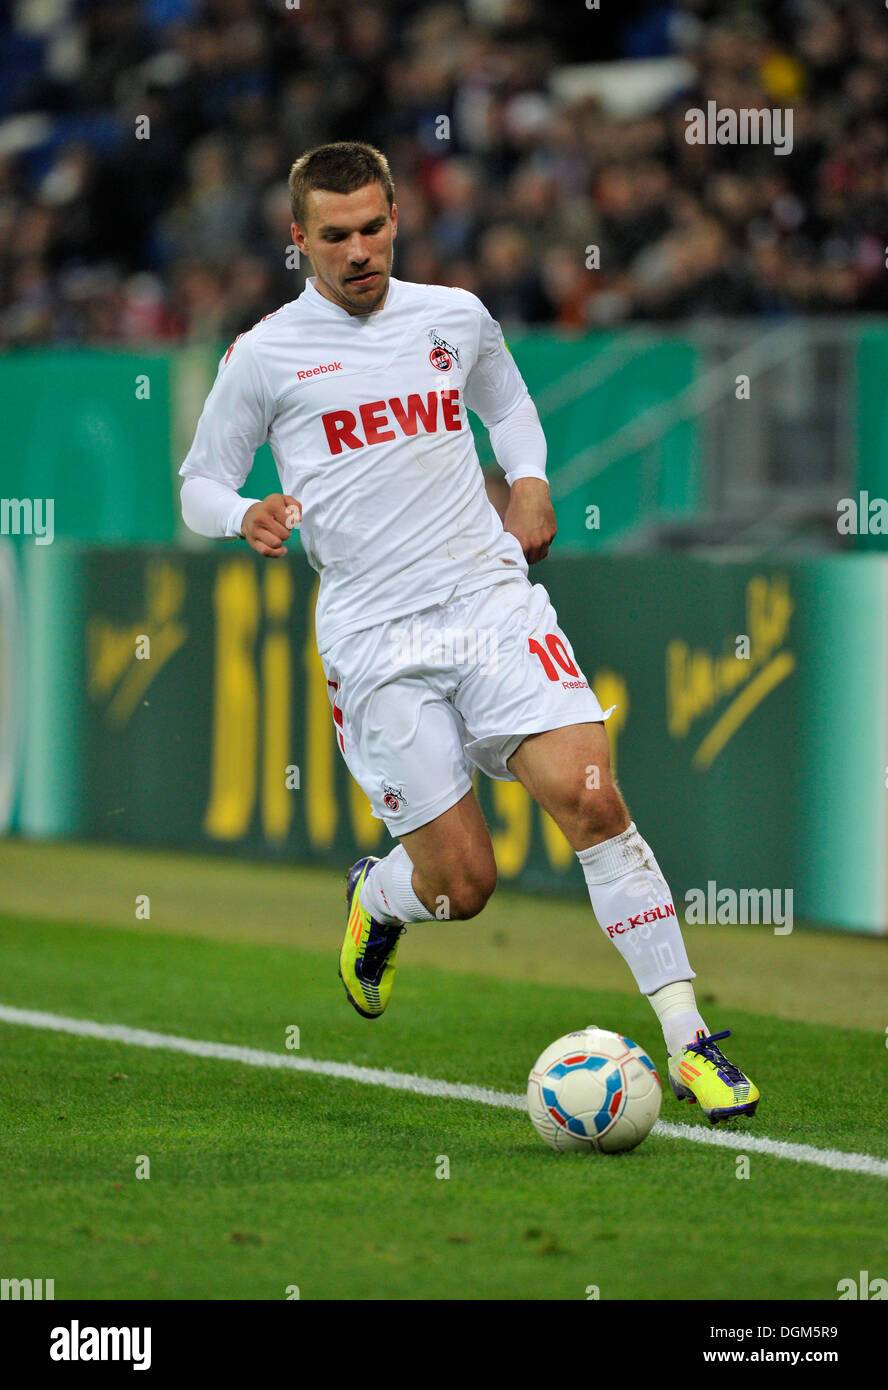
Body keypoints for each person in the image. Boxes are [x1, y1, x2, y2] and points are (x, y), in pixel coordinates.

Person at [179, 141, 759, 1125]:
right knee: (465, 886)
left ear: (397, 216)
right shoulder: (266, 354)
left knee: (594, 799)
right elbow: (197, 482)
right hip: (375, 642)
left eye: (372, 227)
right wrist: (245, 516)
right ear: (298, 241)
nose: (358, 249)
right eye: (334, 236)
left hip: (491, 604)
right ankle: (383, 897)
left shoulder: (454, 317)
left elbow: (511, 406)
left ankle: (689, 1038)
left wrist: (529, 482)